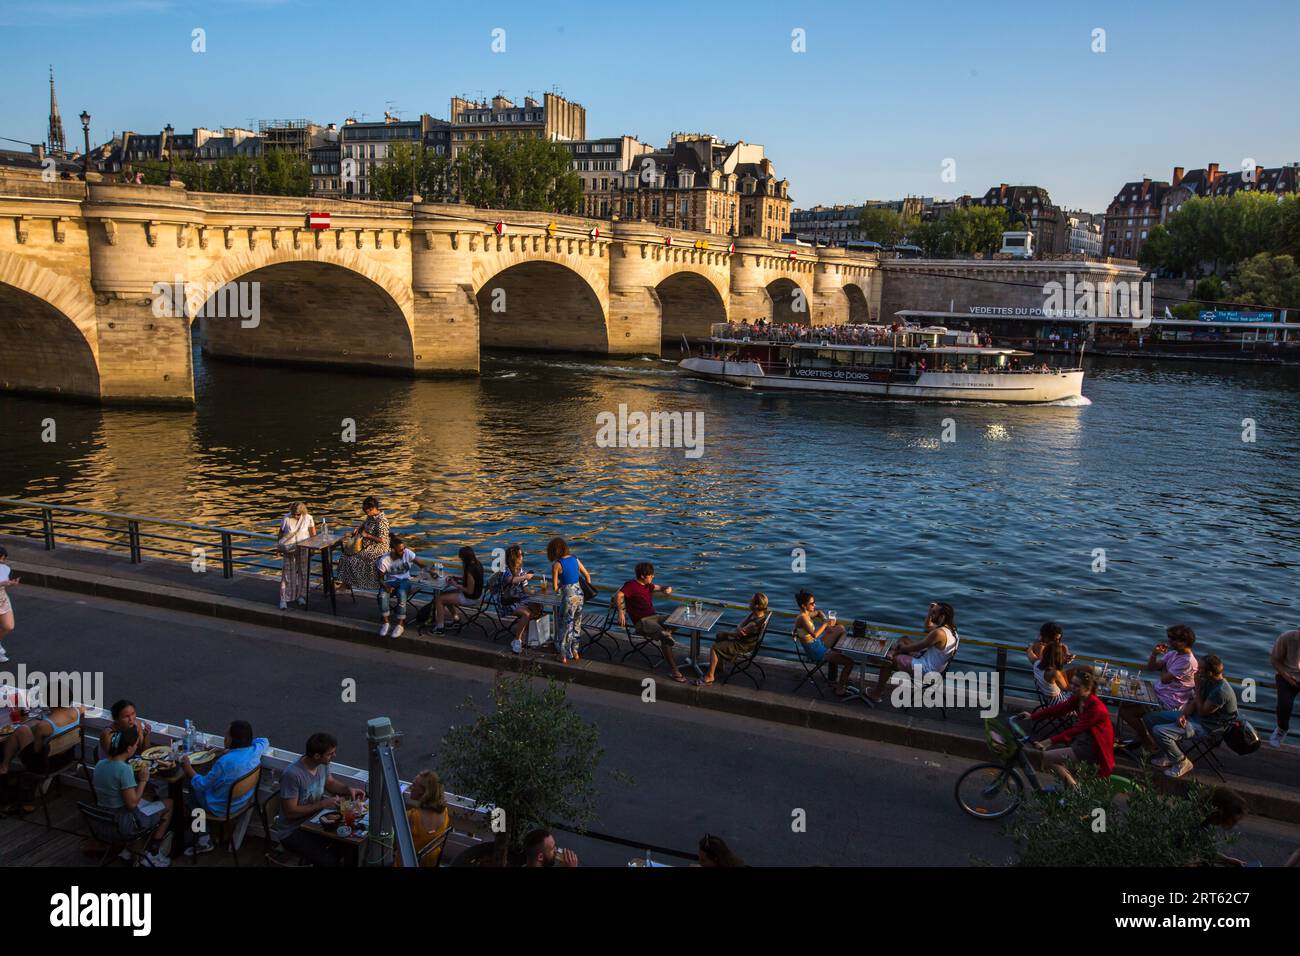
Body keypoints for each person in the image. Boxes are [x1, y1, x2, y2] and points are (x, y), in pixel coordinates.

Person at [270, 732, 366, 867]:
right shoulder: (292, 775)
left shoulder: (322, 764)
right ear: (316, 755)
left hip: (314, 822)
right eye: (330, 753)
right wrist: (322, 804)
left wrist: (348, 789)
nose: (334, 756)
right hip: (292, 831)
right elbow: (290, 812)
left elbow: (330, 783)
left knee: (351, 846)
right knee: (329, 860)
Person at [180, 719, 269, 856]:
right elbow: (264, 740)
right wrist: (238, 748)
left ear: (232, 739)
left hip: (221, 808)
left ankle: (203, 839)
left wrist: (188, 767)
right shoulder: (255, 750)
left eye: (227, 735)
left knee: (193, 789)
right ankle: (205, 830)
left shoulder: (224, 762)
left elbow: (201, 784)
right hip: (243, 801)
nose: (224, 737)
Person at [1018, 668, 1115, 787]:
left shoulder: (1096, 708)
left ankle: (1075, 791)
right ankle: (1073, 788)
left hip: (1093, 747)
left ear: (1088, 689)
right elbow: (1058, 709)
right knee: (1051, 759)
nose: (1072, 687)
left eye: (1077, 685)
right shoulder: (1078, 699)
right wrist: (1033, 716)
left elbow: (1075, 730)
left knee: (1048, 758)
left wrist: (1048, 742)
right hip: (1082, 741)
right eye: (1072, 683)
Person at [92, 724, 173, 867]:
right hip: (123, 824)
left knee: (146, 799)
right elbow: (132, 804)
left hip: (101, 821)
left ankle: (130, 850)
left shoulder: (100, 764)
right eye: (135, 745)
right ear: (129, 748)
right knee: (169, 803)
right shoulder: (124, 769)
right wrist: (143, 780)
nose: (136, 747)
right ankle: (153, 852)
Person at [1146, 654, 1237, 779]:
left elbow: (1203, 711)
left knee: (1160, 731)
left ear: (1210, 672)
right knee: (1150, 718)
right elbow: (1194, 702)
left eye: (1200, 669)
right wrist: (1183, 715)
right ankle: (1169, 754)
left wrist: (1198, 688)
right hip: (1194, 718)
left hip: (1207, 727)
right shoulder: (1207, 681)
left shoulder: (1221, 691)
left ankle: (1181, 762)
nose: (1197, 671)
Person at [1119, 624, 1199, 753]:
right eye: (1169, 638)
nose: (1169, 642)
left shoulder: (1188, 662)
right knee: (1124, 703)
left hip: (1169, 702)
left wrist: (1163, 668)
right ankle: (1141, 737)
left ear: (1184, 642)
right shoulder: (1173, 654)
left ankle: (1147, 742)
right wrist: (1154, 654)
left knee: (1127, 712)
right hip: (1157, 693)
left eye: (1172, 639)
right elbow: (1151, 668)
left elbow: (1165, 679)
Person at [871, 601, 958, 703]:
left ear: (942, 616)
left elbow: (916, 647)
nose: (932, 615)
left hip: (927, 669)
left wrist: (899, 649)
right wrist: (930, 612)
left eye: (934, 613)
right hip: (935, 666)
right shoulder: (952, 631)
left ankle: (876, 694)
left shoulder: (939, 633)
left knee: (889, 662)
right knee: (905, 639)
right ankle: (891, 653)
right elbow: (927, 628)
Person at [615, 562, 686, 683]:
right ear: (643, 576)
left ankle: (666, 634)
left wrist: (667, 589)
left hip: (654, 617)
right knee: (664, 637)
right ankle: (675, 670)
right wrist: (621, 612)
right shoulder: (631, 585)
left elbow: (661, 587)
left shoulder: (648, 586)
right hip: (642, 622)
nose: (652, 577)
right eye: (651, 575)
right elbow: (619, 595)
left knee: (677, 619)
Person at [793, 589, 853, 697]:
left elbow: (819, 612)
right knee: (850, 663)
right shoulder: (803, 618)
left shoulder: (806, 615)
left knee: (840, 628)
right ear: (803, 605)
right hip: (816, 652)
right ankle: (840, 689)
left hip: (816, 644)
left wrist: (825, 620)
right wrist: (825, 625)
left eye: (814, 602)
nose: (814, 604)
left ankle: (836, 654)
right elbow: (814, 635)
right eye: (811, 603)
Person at [702, 593, 770, 686]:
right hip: (744, 640)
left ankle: (710, 676)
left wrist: (727, 633)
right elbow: (740, 626)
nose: (749, 602)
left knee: (714, 647)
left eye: (751, 601)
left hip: (742, 646)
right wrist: (738, 629)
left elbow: (738, 632)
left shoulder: (753, 624)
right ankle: (719, 666)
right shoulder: (757, 615)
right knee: (719, 636)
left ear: (756, 605)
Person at [548, 537, 592, 665]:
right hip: (580, 597)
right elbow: (587, 576)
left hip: (568, 599)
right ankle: (575, 651)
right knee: (577, 624)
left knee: (565, 626)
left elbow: (556, 588)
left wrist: (562, 588)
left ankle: (563, 655)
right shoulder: (575, 559)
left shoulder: (557, 565)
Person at [495, 545, 546, 655]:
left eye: (522, 554)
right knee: (526, 614)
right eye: (520, 555)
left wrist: (536, 593)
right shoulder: (505, 569)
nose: (522, 557)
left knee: (538, 606)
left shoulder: (520, 570)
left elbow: (525, 589)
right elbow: (510, 580)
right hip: (505, 602)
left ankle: (526, 634)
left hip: (517, 599)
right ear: (513, 557)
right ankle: (517, 640)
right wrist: (526, 577)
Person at [375, 535, 428, 638]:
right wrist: (385, 585)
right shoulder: (384, 560)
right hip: (391, 581)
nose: (403, 551)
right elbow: (380, 578)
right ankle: (386, 622)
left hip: (405, 580)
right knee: (382, 595)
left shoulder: (407, 553)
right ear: (393, 550)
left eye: (404, 549)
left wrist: (429, 572)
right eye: (400, 550)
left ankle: (400, 624)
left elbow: (422, 565)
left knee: (401, 593)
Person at [336, 496, 390, 593]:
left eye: (367, 510)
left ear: (373, 508)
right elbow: (365, 523)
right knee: (344, 557)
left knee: (351, 559)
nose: (366, 512)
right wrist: (359, 528)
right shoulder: (370, 516)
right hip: (367, 545)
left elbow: (383, 540)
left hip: (378, 548)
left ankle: (349, 583)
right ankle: (346, 583)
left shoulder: (382, 521)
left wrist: (367, 535)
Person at [399, 769, 451, 868]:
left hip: (408, 862)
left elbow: (394, 842)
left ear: (424, 792)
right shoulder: (444, 811)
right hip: (431, 860)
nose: (410, 787)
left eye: (414, 785)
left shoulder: (412, 817)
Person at [432, 546, 485, 634]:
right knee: (445, 595)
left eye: (461, 558)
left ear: (465, 558)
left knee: (439, 599)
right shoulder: (477, 564)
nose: (461, 560)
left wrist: (455, 584)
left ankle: (439, 628)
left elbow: (469, 591)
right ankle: (456, 619)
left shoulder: (470, 570)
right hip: (478, 595)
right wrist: (458, 578)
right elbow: (472, 580)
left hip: (471, 598)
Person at [276, 502, 315, 610]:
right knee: (287, 574)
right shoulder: (286, 518)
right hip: (289, 549)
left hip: (304, 548)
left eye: (298, 514)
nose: (295, 516)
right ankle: (284, 598)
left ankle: (301, 595)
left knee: (304, 572)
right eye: (294, 514)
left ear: (302, 513)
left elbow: (313, 534)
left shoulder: (308, 518)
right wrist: (278, 547)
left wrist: (313, 549)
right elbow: (281, 533)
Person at [1269, 625, 1300, 748]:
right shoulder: (1287, 637)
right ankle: (1282, 729)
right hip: (1286, 675)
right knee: (1284, 704)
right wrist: (1287, 677)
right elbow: (1274, 660)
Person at [0, 546, 17, 663]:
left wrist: (11, 583)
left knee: (9, 626)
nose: (2, 561)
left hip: (2, 599)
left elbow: (4, 583)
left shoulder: (6, 568)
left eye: (3, 559)